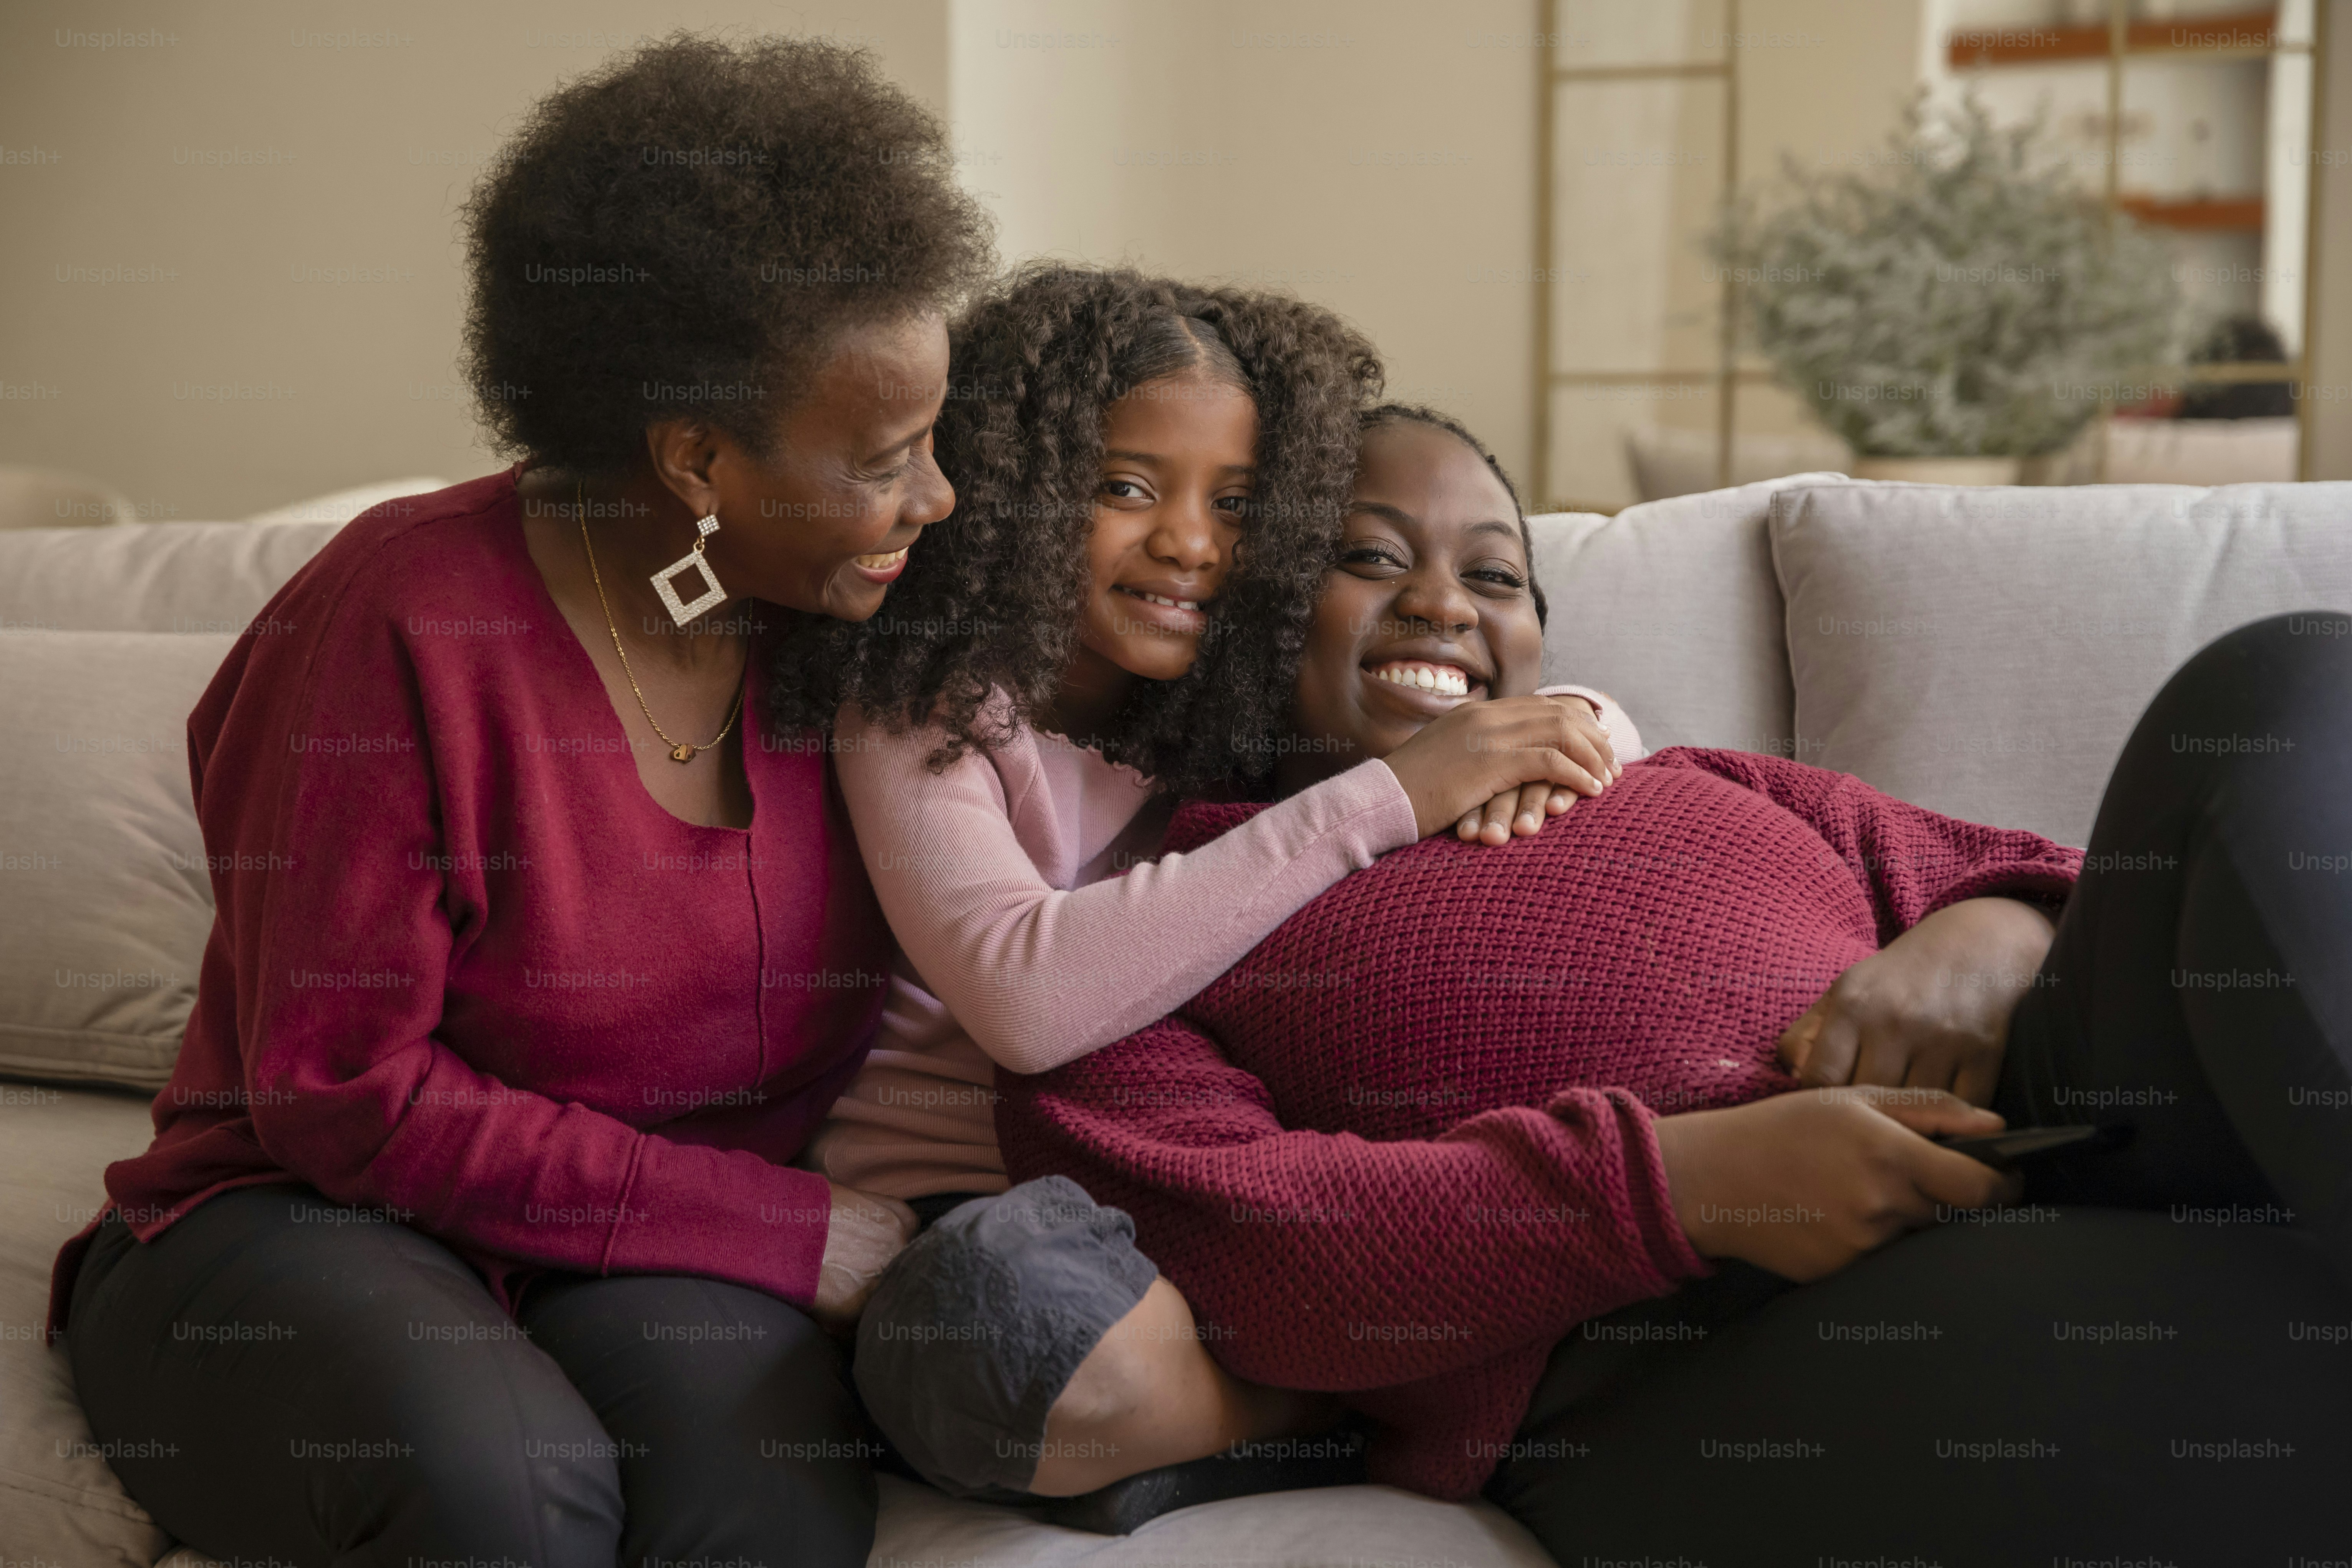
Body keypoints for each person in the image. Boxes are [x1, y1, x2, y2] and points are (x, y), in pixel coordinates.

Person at [979, 406, 2352, 1559]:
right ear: (1246, 616)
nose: (1446, 602)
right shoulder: (1145, 939)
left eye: (1498, 576)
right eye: (1365, 557)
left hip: (2061, 1096)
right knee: (2285, 1362)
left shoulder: (1694, 778)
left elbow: (2041, 866)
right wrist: (1694, 1180)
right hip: (1696, 1337)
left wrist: (1978, 936)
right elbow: (1267, 1253)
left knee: (2287, 672)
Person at [57, 36, 991, 1568]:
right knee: (505, 1495)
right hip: (302, 1218)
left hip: (636, 1252)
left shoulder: (852, 620)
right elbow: (344, 1094)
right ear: (696, 457)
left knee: (759, 1508)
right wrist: (786, 1233)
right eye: (889, 459)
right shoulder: (397, 622)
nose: (937, 498)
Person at [808, 267, 1637, 1521]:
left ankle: (1256, 1406)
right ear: (1017, 489)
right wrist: (1392, 796)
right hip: (979, 1207)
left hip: (1198, 1195)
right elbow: (1026, 996)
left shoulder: (1226, 708)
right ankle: (1321, 1413)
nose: (1190, 542)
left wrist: (1575, 719)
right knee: (993, 1319)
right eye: (1126, 488)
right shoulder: (922, 698)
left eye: (1238, 505)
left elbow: (1534, 721)